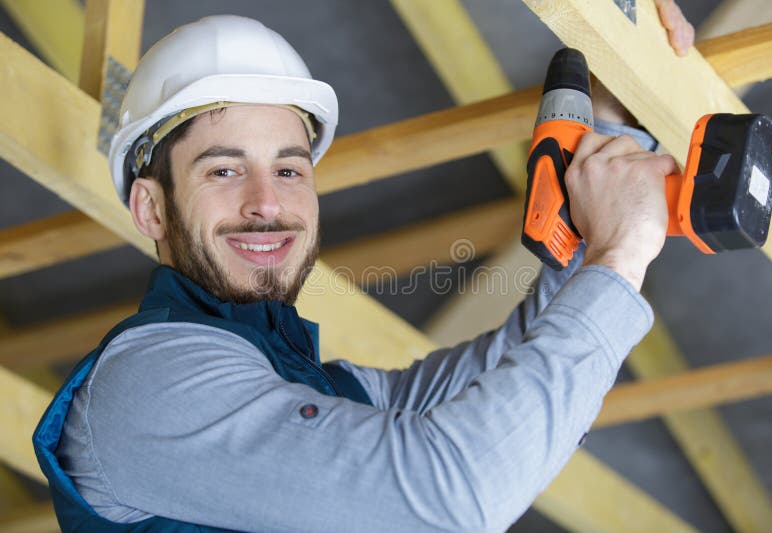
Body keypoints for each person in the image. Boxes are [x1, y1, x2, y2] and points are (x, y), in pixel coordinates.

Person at [33, 4, 695, 532]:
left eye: (289, 168)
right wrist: (619, 253)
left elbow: (518, 378)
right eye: (225, 170)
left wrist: (612, 138)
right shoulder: (151, 386)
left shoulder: (312, 386)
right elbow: (457, 496)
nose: (267, 203)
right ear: (151, 207)